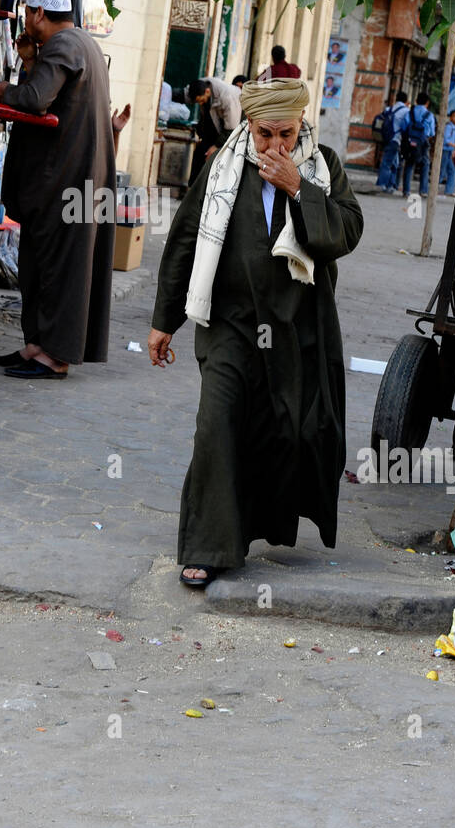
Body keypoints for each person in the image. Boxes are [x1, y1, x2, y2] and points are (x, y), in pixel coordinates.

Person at [147, 77, 363, 586]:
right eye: (265, 134)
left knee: (286, 430)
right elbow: (184, 239)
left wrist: (297, 188)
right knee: (216, 423)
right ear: (248, 125)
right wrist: (164, 321)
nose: (276, 147)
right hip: (231, 325)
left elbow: (347, 231)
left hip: (297, 328)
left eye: (286, 134)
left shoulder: (322, 166)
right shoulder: (223, 167)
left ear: (301, 125)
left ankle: (247, 527)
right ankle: (206, 547)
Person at [0, 0, 116, 379]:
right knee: (39, 262)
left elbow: (33, 99)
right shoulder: (81, 44)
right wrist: (30, 62)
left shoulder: (64, 46)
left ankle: (55, 357)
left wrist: (3, 89)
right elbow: (49, 91)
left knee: (60, 266)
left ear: (39, 14)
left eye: (28, 14)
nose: (26, 22)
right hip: (75, 175)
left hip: (68, 177)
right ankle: (37, 345)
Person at [187, 77, 243, 183]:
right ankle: (192, 190)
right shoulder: (202, 85)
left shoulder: (227, 97)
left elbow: (231, 129)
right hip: (217, 130)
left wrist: (216, 146)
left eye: (201, 100)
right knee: (199, 153)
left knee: (215, 159)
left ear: (207, 91)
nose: (200, 104)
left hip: (232, 132)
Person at [400, 91, 436, 198]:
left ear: (416, 101)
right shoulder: (429, 115)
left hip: (410, 141)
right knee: (425, 165)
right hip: (423, 142)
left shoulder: (409, 113)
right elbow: (432, 133)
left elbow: (403, 127)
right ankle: (423, 191)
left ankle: (406, 191)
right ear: (427, 103)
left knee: (409, 164)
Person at [375, 90, 409, 192]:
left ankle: (391, 185)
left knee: (394, 162)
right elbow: (405, 126)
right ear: (406, 100)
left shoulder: (389, 109)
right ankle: (383, 184)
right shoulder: (406, 111)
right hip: (396, 139)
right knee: (388, 163)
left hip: (386, 138)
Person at [440, 109, 455, 196]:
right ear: (451, 118)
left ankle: (449, 191)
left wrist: (453, 150)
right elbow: (446, 140)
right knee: (441, 171)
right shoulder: (448, 127)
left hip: (449, 152)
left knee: (452, 171)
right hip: (445, 151)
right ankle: (431, 189)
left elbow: (453, 139)